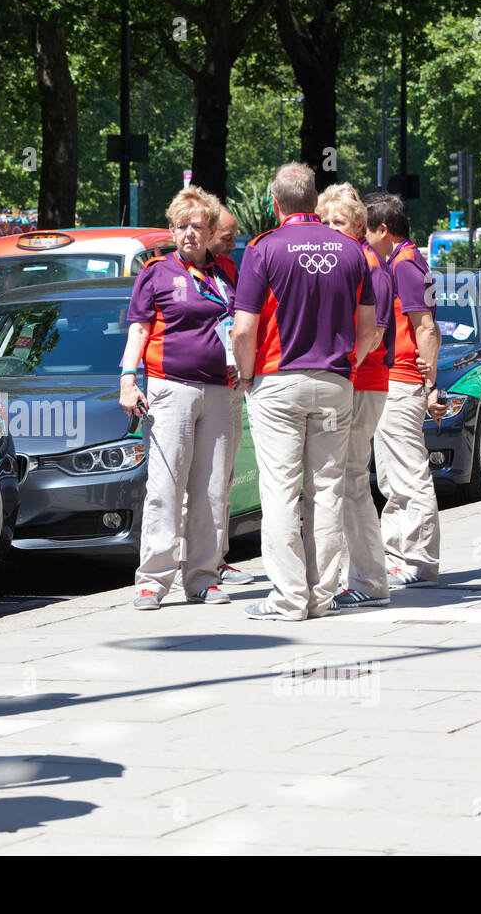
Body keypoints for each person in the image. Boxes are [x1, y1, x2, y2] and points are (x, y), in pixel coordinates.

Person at [231, 162, 378, 620]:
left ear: (274, 204)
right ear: (316, 202)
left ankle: (289, 597)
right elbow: (371, 329)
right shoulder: (352, 250)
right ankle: (322, 593)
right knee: (328, 488)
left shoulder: (263, 249)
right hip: (335, 381)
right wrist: (348, 365)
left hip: (278, 379)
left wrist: (247, 375)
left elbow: (242, 330)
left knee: (279, 490)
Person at [120, 186, 240, 610]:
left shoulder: (227, 272)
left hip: (221, 389)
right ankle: (153, 579)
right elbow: (137, 329)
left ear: (210, 233)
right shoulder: (156, 272)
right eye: (183, 226)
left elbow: (242, 327)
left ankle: (204, 576)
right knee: (165, 487)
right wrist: (127, 379)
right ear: (172, 231)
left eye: (199, 226)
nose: (191, 233)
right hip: (170, 387)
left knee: (211, 490)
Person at [314, 184, 394, 609]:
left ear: (360, 226)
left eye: (338, 222)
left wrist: (345, 370)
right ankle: (363, 576)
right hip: (353, 379)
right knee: (347, 480)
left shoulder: (369, 265)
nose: (330, 229)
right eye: (324, 222)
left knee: (351, 480)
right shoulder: (344, 262)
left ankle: (367, 579)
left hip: (362, 382)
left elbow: (375, 330)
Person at [363, 192, 445, 589]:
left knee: (407, 475)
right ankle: (401, 557)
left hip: (401, 379)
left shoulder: (405, 264)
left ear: (383, 229)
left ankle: (416, 560)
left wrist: (429, 384)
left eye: (367, 230)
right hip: (403, 379)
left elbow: (426, 327)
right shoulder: (408, 261)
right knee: (395, 478)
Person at [203, 206, 253, 587]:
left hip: (230, 383)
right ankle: (188, 561)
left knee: (223, 476)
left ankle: (216, 559)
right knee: (194, 480)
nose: (234, 243)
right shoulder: (172, 272)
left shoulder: (228, 271)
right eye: (228, 236)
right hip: (195, 385)